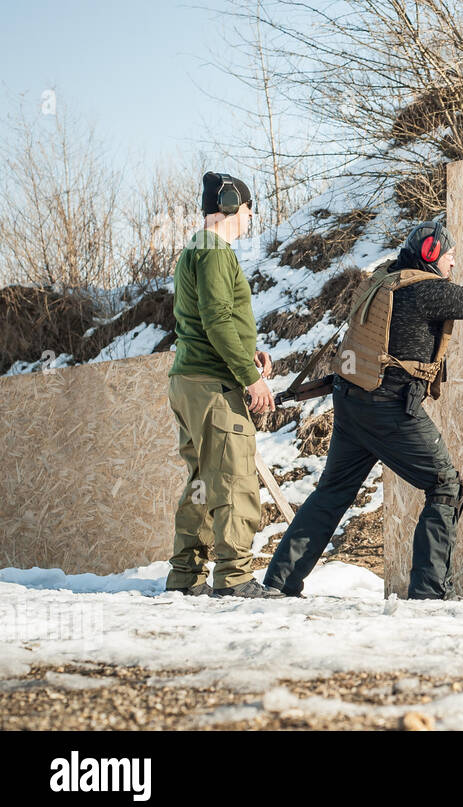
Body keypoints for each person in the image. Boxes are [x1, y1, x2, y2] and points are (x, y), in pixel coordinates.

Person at [262, 220, 463, 599]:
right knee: (445, 485)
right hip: (387, 408)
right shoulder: (426, 291)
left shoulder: (385, 276)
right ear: (431, 255)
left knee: (332, 491)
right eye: (450, 257)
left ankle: (279, 580)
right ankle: (430, 592)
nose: (453, 265)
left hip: (352, 401)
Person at [166, 172, 283, 598]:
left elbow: (209, 321)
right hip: (212, 386)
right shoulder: (215, 251)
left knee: (201, 480)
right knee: (234, 478)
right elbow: (216, 320)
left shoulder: (194, 250)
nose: (251, 219)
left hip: (189, 380)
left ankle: (184, 578)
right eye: (250, 210)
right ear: (234, 204)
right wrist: (251, 379)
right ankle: (234, 579)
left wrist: (248, 352)